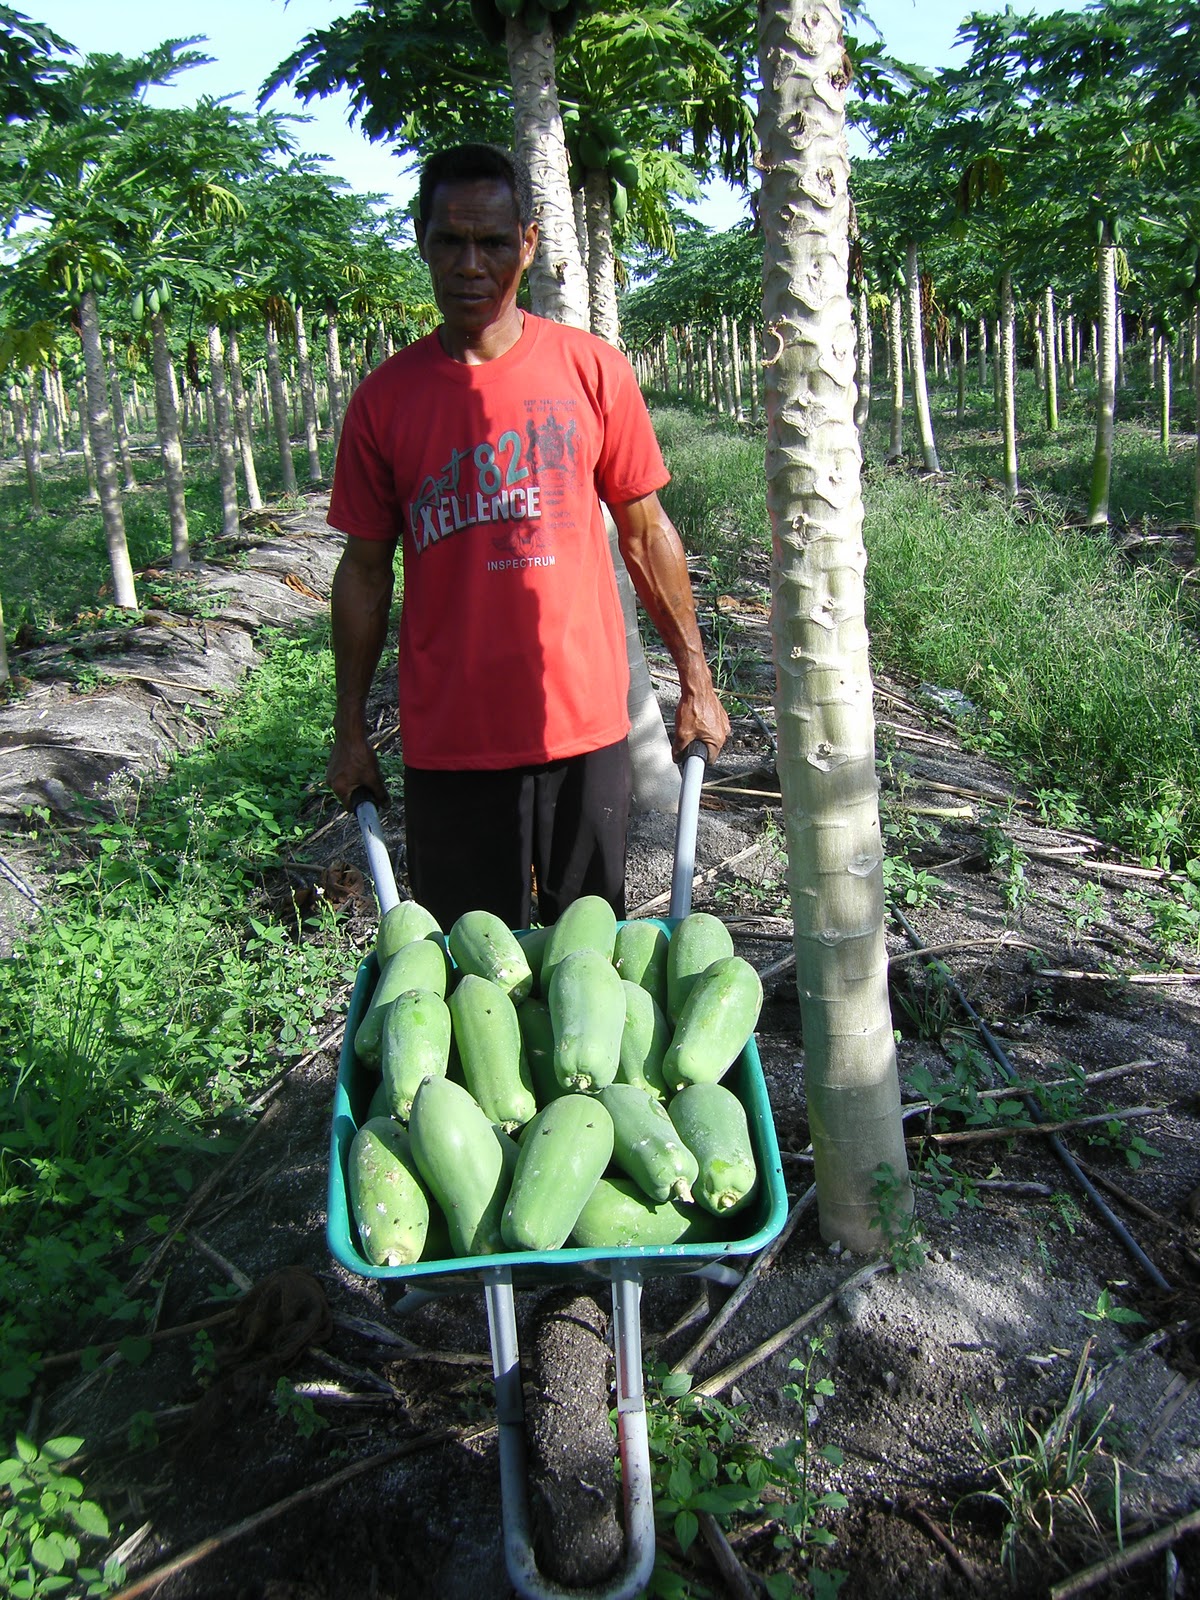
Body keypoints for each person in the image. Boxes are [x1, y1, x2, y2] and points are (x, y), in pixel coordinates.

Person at [325, 142, 729, 931]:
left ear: (529, 243)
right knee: (480, 978)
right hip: (452, 745)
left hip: (581, 729)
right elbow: (365, 574)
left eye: (493, 243)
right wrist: (348, 730)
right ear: (421, 239)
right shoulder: (386, 401)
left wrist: (697, 678)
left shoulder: (591, 370)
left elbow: (646, 536)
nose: (470, 265)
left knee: (589, 966)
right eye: (449, 241)